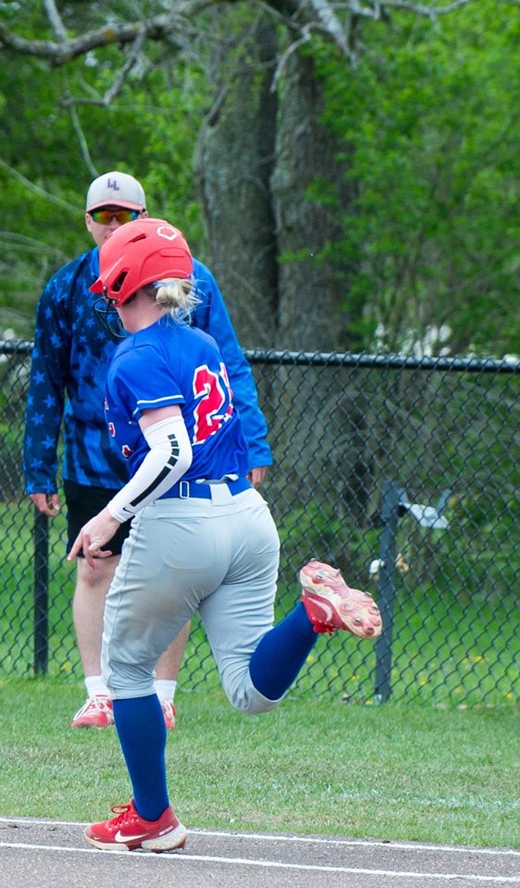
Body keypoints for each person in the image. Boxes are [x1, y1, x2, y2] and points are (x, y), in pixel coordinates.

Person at [67, 218, 381, 852]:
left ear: (126, 279)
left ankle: (152, 817)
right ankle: (310, 616)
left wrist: (109, 515)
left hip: (183, 524)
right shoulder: (199, 343)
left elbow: (173, 450)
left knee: (125, 667)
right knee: (247, 689)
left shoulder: (136, 355)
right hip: (247, 516)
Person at [24, 171, 273, 730]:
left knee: (173, 575)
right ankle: (100, 694)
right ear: (88, 222)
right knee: (94, 568)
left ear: (142, 218)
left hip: (175, 460)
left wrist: (251, 443)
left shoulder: (189, 280)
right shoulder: (68, 286)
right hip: (96, 453)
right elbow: (46, 379)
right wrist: (38, 462)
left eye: (124, 216)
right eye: (103, 216)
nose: (113, 225)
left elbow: (226, 366)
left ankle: (159, 694)